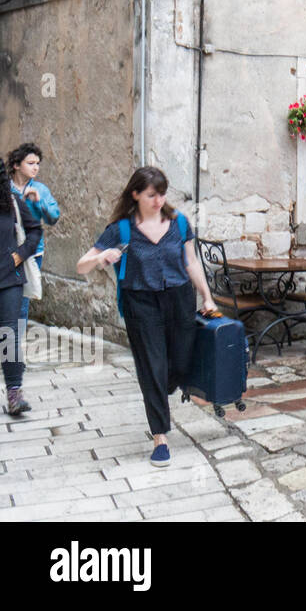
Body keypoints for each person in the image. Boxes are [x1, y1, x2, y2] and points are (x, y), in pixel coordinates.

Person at [77, 167, 217, 467]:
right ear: (136, 194)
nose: (158, 201)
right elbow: (81, 265)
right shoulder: (122, 229)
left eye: (162, 194)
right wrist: (101, 257)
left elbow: (191, 262)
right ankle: (160, 437)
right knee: (151, 367)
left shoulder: (179, 222)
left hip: (179, 298)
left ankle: (165, 386)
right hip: (140, 302)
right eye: (151, 195)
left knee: (180, 362)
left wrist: (206, 296)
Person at [9, 143, 60, 341]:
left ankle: (14, 350)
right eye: (30, 163)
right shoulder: (5, 187)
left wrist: (39, 201)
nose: (35, 167)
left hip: (31, 253)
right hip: (6, 251)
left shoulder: (40, 189)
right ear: (16, 165)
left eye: (38, 163)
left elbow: (53, 218)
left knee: (22, 300)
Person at [1, 181, 42, 415]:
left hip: (8, 279)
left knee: (8, 334)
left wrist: (20, 254)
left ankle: (14, 393)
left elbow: (35, 230)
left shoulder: (12, 203)